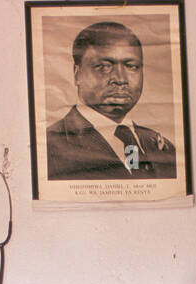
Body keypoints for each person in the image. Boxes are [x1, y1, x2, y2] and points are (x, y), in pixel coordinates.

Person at [45, 21, 177, 181]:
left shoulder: (162, 148)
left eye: (131, 66)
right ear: (77, 74)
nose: (120, 79)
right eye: (104, 66)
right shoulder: (50, 148)